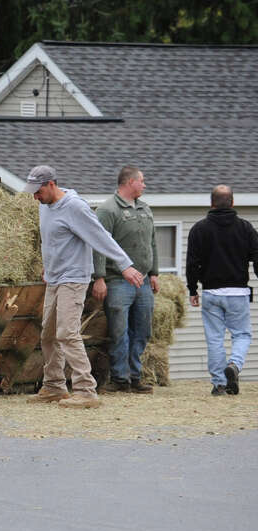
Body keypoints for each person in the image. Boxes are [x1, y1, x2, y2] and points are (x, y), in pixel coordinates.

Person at [25, 165, 145, 409]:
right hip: (54, 278)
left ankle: (86, 390)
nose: (35, 197)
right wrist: (48, 266)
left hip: (73, 278)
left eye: (38, 191)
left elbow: (100, 236)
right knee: (48, 334)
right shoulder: (44, 206)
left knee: (67, 333)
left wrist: (124, 265)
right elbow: (50, 240)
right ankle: (54, 386)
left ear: (51, 184)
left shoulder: (75, 207)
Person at [91, 166, 160, 394]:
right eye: (142, 181)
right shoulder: (108, 210)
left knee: (142, 331)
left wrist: (154, 273)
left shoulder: (145, 209)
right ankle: (120, 378)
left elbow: (152, 242)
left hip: (143, 282)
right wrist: (99, 277)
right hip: (118, 280)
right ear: (130, 182)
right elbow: (98, 244)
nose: (144, 185)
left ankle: (135, 376)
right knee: (119, 332)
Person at [186, 185, 258, 396]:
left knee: (214, 338)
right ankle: (234, 365)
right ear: (232, 202)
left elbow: (192, 264)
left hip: (211, 293)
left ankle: (219, 384)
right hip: (238, 292)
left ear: (212, 203)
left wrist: (192, 289)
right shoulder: (245, 228)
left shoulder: (199, 229)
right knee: (242, 334)